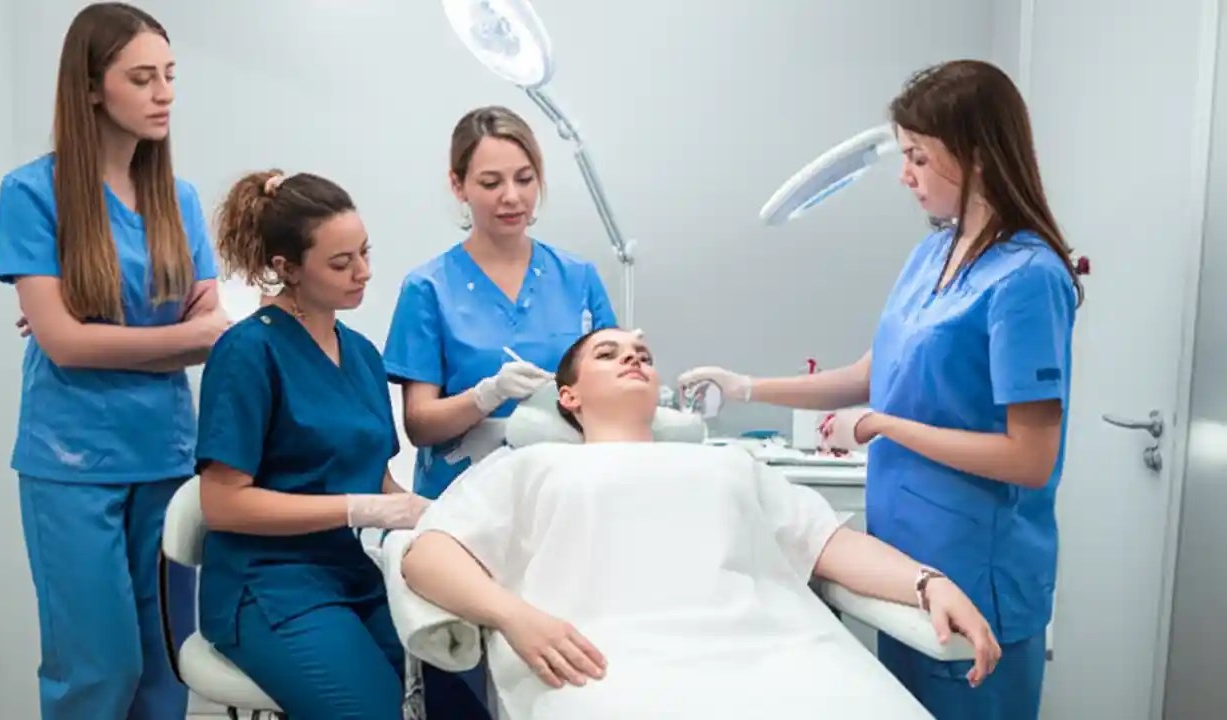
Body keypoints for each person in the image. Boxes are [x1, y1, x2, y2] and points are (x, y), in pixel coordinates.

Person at [678, 59, 1080, 720]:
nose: (905, 175)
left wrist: (882, 426)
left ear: (976, 154)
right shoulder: (934, 253)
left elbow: (1029, 458)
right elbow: (873, 373)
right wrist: (745, 385)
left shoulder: (1027, 279)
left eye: (919, 157)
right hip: (906, 565)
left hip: (980, 575)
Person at [398, 328, 1002, 720]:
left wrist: (929, 583)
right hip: (613, 663)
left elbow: (832, 546)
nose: (633, 358)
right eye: (608, 355)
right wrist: (515, 616)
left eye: (643, 356)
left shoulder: (727, 464)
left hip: (779, 654)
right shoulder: (533, 466)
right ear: (569, 398)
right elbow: (427, 555)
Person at [0, 4, 229, 718]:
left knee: (166, 670)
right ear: (93, 87)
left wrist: (99, 337)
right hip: (71, 465)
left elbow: (213, 326)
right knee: (98, 670)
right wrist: (172, 342)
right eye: (142, 77)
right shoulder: (32, 192)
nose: (164, 94)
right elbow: (66, 344)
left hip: (163, 455)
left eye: (169, 76)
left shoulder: (178, 200)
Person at [383, 105, 617, 715]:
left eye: (524, 178)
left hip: (559, 514)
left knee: (563, 679)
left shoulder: (579, 278)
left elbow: (612, 393)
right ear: (458, 185)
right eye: (490, 183)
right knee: (465, 688)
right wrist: (486, 396)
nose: (511, 197)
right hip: (463, 521)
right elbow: (420, 424)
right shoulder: (427, 288)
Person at [194, 169, 430, 719]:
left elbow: (375, 478)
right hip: (269, 585)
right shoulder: (248, 353)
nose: (363, 273)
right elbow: (222, 504)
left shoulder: (363, 354)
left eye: (365, 254)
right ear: (288, 269)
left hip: (352, 572)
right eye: (341, 263)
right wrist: (358, 507)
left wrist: (432, 516)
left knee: (447, 679)